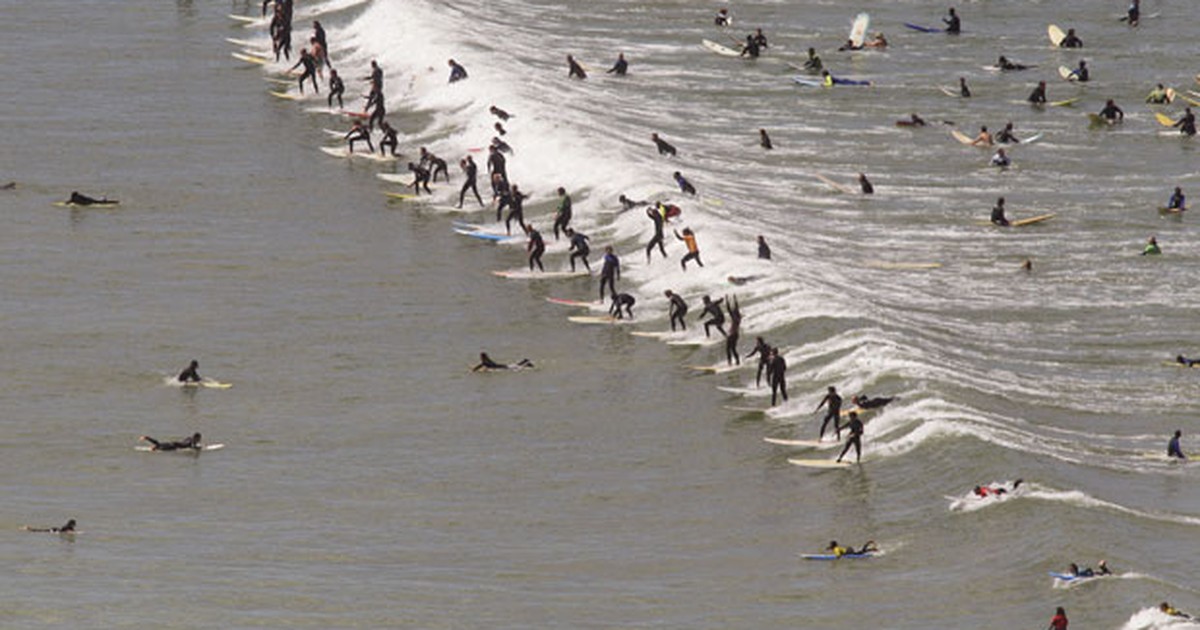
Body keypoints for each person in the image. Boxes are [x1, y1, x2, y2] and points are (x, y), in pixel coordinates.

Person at [724, 295, 742, 365]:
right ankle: (737, 362)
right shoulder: (738, 318)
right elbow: (731, 309)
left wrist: (727, 300)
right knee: (733, 349)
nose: (732, 312)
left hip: (732, 335)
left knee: (728, 349)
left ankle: (730, 363)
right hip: (735, 335)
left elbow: (730, 309)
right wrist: (734, 300)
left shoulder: (736, 318)